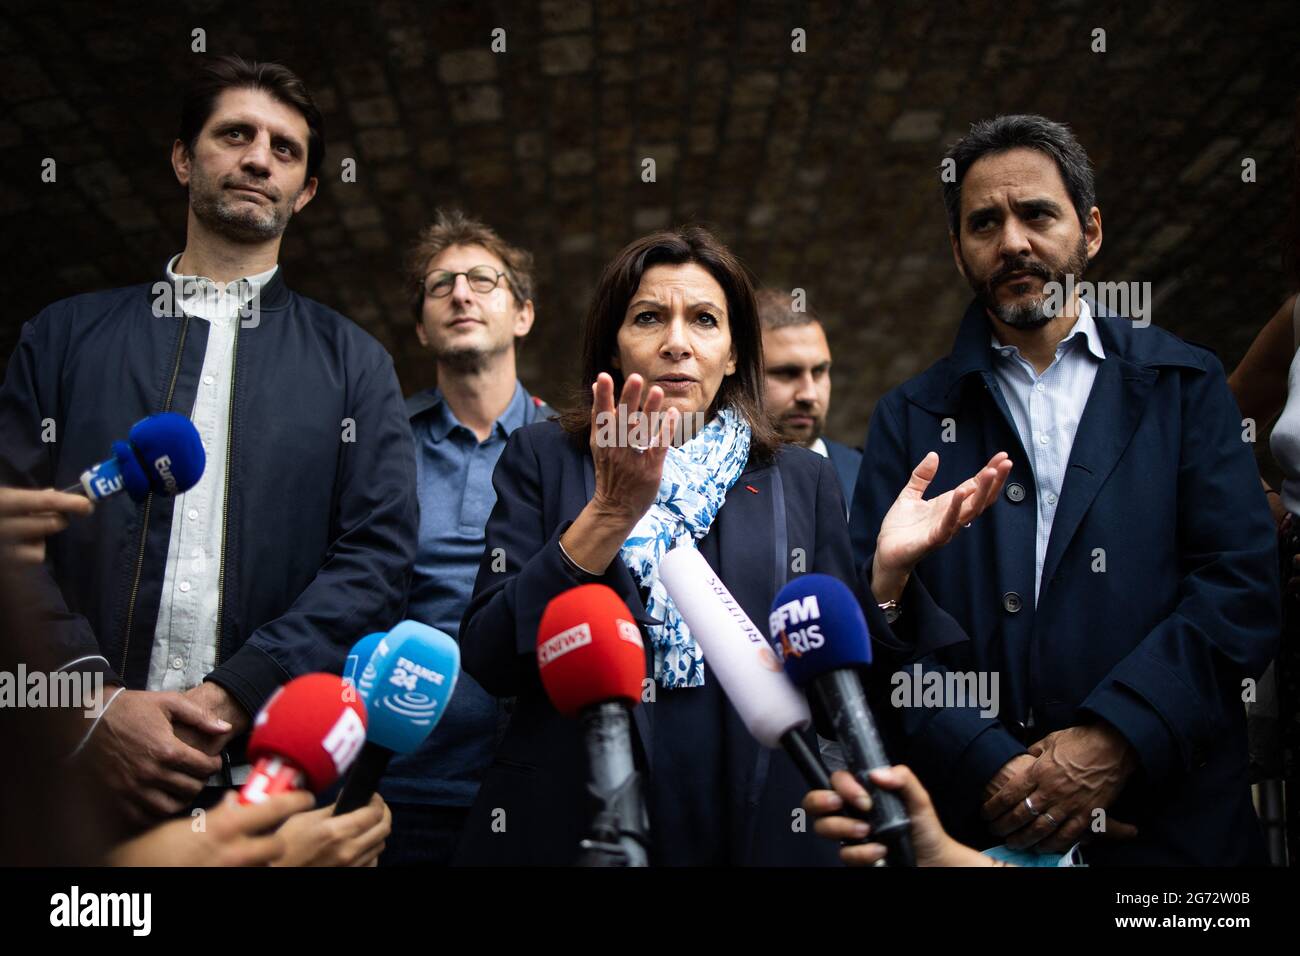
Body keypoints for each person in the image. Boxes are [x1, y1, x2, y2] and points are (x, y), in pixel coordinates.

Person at [452, 226, 1004, 865]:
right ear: (614, 343)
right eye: (649, 318)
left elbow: (840, 693)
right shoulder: (547, 457)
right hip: (582, 818)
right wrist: (606, 516)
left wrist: (886, 578)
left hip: (760, 820)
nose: (677, 343)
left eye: (705, 321)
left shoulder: (800, 479)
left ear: (737, 353)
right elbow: (491, 654)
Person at [0, 53, 417, 829]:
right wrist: (93, 702)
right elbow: (8, 536)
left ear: (308, 191)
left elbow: (376, 558)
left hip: (268, 782)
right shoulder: (60, 338)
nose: (259, 157)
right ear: (185, 158)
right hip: (68, 776)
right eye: (235, 135)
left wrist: (237, 691)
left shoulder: (358, 365)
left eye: (285, 149)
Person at [849, 114, 1280, 865]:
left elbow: (1240, 586)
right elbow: (883, 626)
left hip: (1172, 834)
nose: (1012, 240)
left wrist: (1116, 740)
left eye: (1037, 214)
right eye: (984, 223)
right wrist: (987, 762)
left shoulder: (1184, 385)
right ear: (959, 254)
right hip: (980, 835)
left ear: (1091, 231)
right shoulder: (909, 419)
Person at [380, 210, 552, 866]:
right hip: (403, 782)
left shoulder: (571, 447)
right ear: (422, 327)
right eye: (440, 284)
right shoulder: (380, 446)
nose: (461, 294)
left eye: (484, 280)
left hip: (535, 776)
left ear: (523, 314)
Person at [756, 288, 862, 512]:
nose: (809, 394)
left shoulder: (867, 474)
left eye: (819, 371)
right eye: (787, 373)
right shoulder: (707, 480)